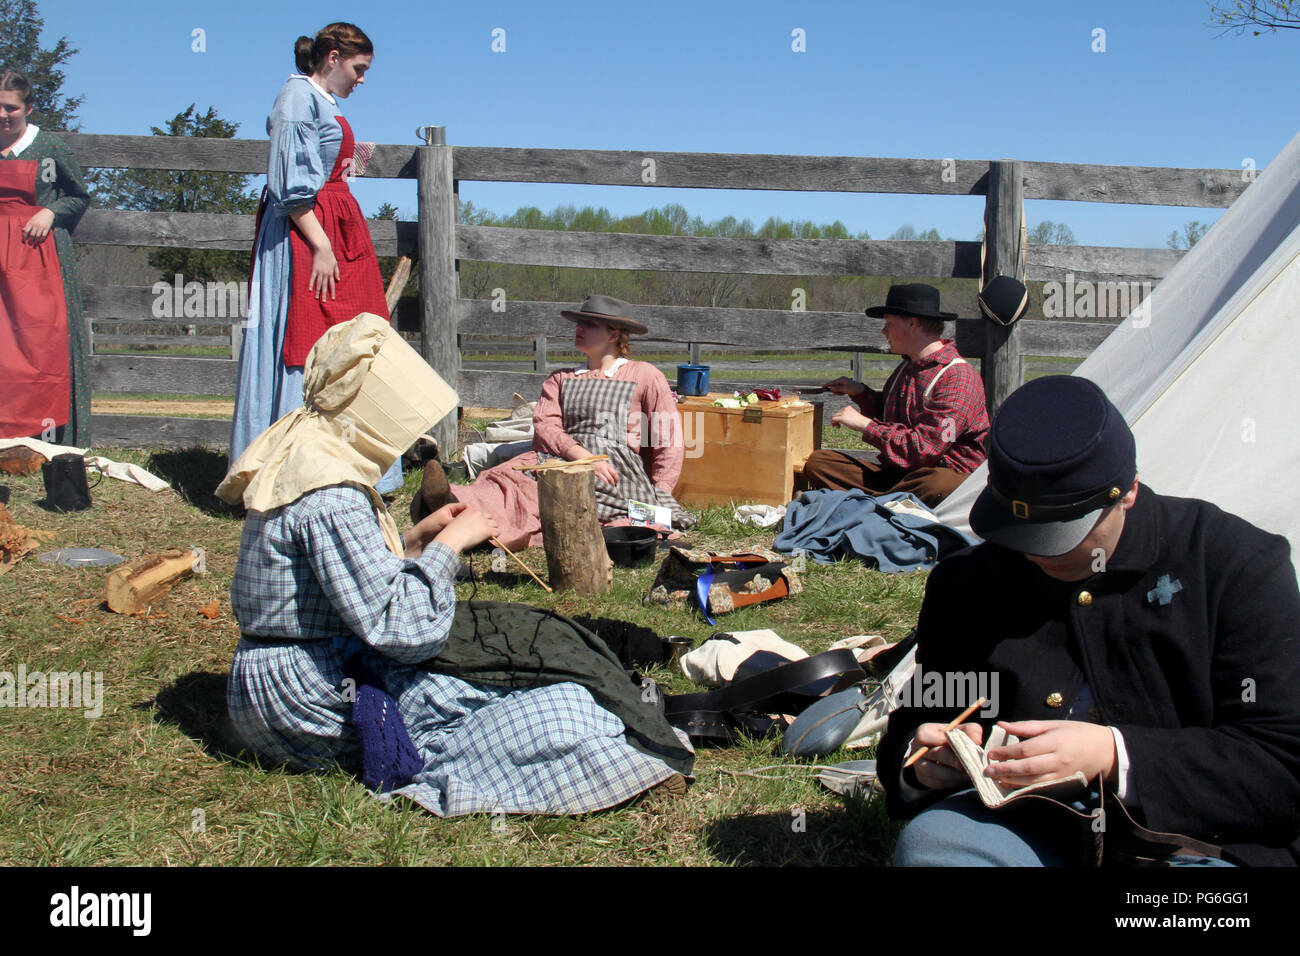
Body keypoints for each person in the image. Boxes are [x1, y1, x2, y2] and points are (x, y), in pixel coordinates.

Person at [219, 313, 692, 815]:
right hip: (304, 695)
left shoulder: (302, 456)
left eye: (593, 326)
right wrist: (450, 547)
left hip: (266, 683)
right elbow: (403, 631)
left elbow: (334, 575)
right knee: (559, 702)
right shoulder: (331, 492)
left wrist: (413, 543)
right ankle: (627, 764)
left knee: (588, 532)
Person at [876, 375, 1300, 866]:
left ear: (1128, 492)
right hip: (1026, 827)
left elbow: (1282, 761)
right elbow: (915, 726)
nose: (1038, 553)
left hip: (1194, 839)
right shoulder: (967, 583)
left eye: (1063, 532)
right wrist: (922, 764)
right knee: (935, 851)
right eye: (1023, 531)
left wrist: (1116, 755)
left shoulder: (1233, 563)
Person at [228, 23, 398, 492]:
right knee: (306, 340)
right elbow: (288, 182)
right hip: (307, 233)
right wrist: (320, 243)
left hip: (333, 226)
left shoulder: (323, 101)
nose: (362, 79)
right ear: (332, 57)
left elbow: (327, 164)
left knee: (352, 340)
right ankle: (287, 470)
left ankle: (342, 467)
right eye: (358, 68)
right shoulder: (296, 98)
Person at [426, 295, 696, 549]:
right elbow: (545, 426)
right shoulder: (562, 378)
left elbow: (667, 440)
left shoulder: (645, 375)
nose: (579, 328)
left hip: (615, 472)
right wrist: (582, 456)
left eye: (589, 324)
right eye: (579, 323)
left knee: (596, 514)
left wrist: (661, 492)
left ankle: (467, 521)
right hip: (561, 461)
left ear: (613, 334)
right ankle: (448, 505)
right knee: (507, 483)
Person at [799, 283, 988, 507]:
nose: (884, 331)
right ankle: (889, 503)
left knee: (938, 483)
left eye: (889, 323)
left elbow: (925, 449)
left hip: (940, 476)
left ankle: (872, 503)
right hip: (899, 477)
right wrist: (861, 393)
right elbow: (894, 418)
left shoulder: (957, 377)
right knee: (819, 462)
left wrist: (865, 426)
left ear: (912, 323)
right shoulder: (906, 368)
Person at [0, 68, 91, 445]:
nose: (3, 116)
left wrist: (51, 212)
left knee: (44, 343)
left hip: (39, 258)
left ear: (29, 108)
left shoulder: (49, 147)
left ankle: (58, 441)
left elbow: (79, 194)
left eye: (11, 108)